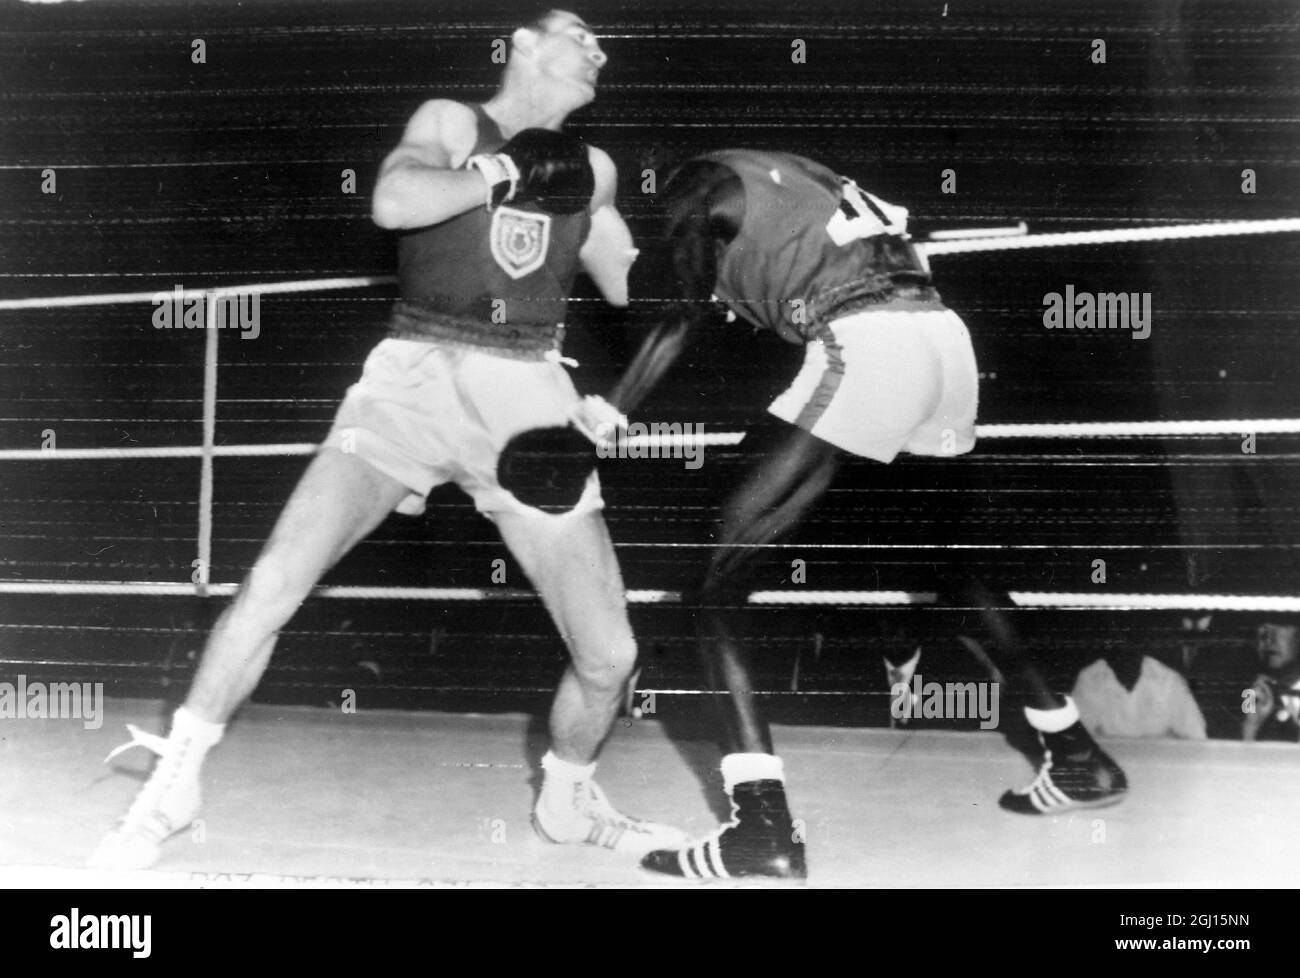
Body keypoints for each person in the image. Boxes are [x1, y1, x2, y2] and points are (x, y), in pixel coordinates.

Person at [89, 9, 687, 871]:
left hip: (526, 393)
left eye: (602, 43)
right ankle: (172, 788)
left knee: (611, 653)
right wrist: (504, 169)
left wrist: (718, 241)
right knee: (274, 579)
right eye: (578, 32)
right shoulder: (451, 121)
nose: (599, 49)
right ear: (522, 44)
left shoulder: (594, 169)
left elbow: (634, 284)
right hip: (412, 376)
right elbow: (395, 202)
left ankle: (568, 800)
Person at [603, 150, 1128, 879]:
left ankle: (761, 830)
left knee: (716, 582)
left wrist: (605, 414)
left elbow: (679, 316)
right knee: (949, 570)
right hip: (942, 339)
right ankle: (1076, 755)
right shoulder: (795, 180)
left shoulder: (691, 189)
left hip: (869, 343)